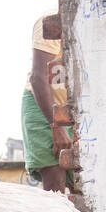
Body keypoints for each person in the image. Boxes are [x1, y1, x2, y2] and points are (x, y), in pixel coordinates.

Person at [21, 12, 72, 192]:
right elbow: (38, 78)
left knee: (82, 186)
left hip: (76, 109)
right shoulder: (49, 22)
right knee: (55, 187)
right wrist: (55, 125)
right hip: (43, 106)